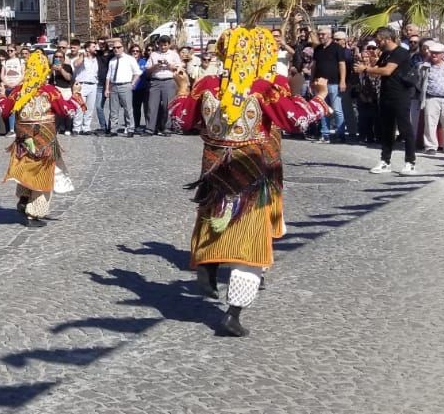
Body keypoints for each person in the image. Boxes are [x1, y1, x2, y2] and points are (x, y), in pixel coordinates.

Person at [170, 27, 321, 337]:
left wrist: (183, 88)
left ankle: (208, 266)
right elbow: (295, 120)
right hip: (252, 172)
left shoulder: (208, 84)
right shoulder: (266, 87)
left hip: (214, 170)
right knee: (250, 243)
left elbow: (181, 119)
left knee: (216, 221)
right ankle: (233, 314)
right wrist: (318, 99)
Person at [0, 51, 81, 227]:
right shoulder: (49, 91)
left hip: (23, 138)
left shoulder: (18, 91)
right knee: (44, 173)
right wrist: (76, 96)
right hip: (45, 139)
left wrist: (1, 97)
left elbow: (4, 112)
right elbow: (67, 111)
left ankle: (24, 195)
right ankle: (34, 213)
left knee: (26, 167)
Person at [359, 28, 419, 175]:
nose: (377, 43)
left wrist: (366, 69)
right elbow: (378, 70)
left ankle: (410, 162)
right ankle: (385, 161)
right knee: (387, 129)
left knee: (405, 128)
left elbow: (387, 71)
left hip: (400, 94)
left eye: (379, 40)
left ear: (387, 39)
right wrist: (371, 64)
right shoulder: (385, 54)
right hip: (385, 94)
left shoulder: (400, 52)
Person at [418, 42, 444, 154]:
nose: (434, 55)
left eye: (437, 53)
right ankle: (430, 146)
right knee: (430, 122)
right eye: (432, 53)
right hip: (431, 97)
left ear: (443, 54)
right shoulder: (424, 66)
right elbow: (419, 80)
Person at [309, 27, 348, 143]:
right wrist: (312, 80)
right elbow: (314, 66)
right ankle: (324, 134)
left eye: (323, 34)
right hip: (320, 83)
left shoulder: (337, 48)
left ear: (330, 35)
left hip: (334, 82)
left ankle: (340, 134)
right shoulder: (318, 49)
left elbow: (342, 65)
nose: (321, 36)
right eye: (319, 34)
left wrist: (342, 81)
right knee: (322, 109)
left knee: (337, 109)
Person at [145, 36, 181, 136]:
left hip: (169, 81)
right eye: (161, 45)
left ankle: (167, 127)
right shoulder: (154, 54)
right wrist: (156, 65)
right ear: (158, 44)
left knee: (168, 106)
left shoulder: (173, 55)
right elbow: (147, 70)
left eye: (165, 45)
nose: (163, 47)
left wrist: (169, 65)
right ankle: (150, 128)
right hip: (156, 81)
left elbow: (178, 68)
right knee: (152, 106)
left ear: (169, 44)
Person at [105, 42, 141, 137]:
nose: (116, 49)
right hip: (114, 86)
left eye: (118, 47)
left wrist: (132, 84)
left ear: (123, 48)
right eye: (114, 48)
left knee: (128, 109)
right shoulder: (112, 60)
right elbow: (108, 76)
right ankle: (113, 130)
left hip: (125, 85)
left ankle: (130, 129)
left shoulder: (129, 59)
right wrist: (107, 89)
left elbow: (137, 72)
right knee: (113, 109)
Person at [71, 45, 101, 135]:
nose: (96, 48)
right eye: (93, 46)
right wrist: (82, 56)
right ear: (87, 48)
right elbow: (75, 64)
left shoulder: (97, 59)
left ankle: (86, 128)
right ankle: (76, 128)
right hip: (82, 85)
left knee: (90, 108)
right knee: (80, 107)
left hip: (93, 85)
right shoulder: (82, 58)